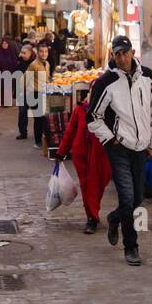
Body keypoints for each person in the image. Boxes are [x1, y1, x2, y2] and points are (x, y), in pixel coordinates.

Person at [87, 35, 152, 266]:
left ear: (132, 52)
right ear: (113, 55)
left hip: (141, 147)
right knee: (127, 197)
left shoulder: (147, 77)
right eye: (117, 54)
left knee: (138, 198)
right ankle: (131, 247)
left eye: (124, 53)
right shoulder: (105, 82)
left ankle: (114, 217)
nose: (121, 58)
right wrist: (110, 139)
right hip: (119, 148)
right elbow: (92, 117)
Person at [57, 97, 111, 233]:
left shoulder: (109, 110)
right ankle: (92, 218)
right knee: (87, 185)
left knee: (98, 185)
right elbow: (70, 132)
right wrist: (61, 152)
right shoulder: (79, 110)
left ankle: (93, 212)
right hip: (82, 155)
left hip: (102, 155)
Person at [27, 42, 51, 149]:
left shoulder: (47, 64)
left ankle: (42, 138)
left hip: (44, 93)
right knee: (38, 119)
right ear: (37, 52)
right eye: (41, 51)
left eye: (46, 51)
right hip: (35, 94)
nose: (44, 54)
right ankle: (37, 142)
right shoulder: (33, 65)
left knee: (43, 118)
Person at [16, 43, 35, 140]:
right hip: (22, 91)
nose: (22, 55)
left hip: (33, 91)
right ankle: (23, 132)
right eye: (21, 52)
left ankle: (38, 133)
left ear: (30, 53)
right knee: (22, 112)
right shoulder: (20, 62)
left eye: (24, 53)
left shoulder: (35, 62)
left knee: (37, 113)